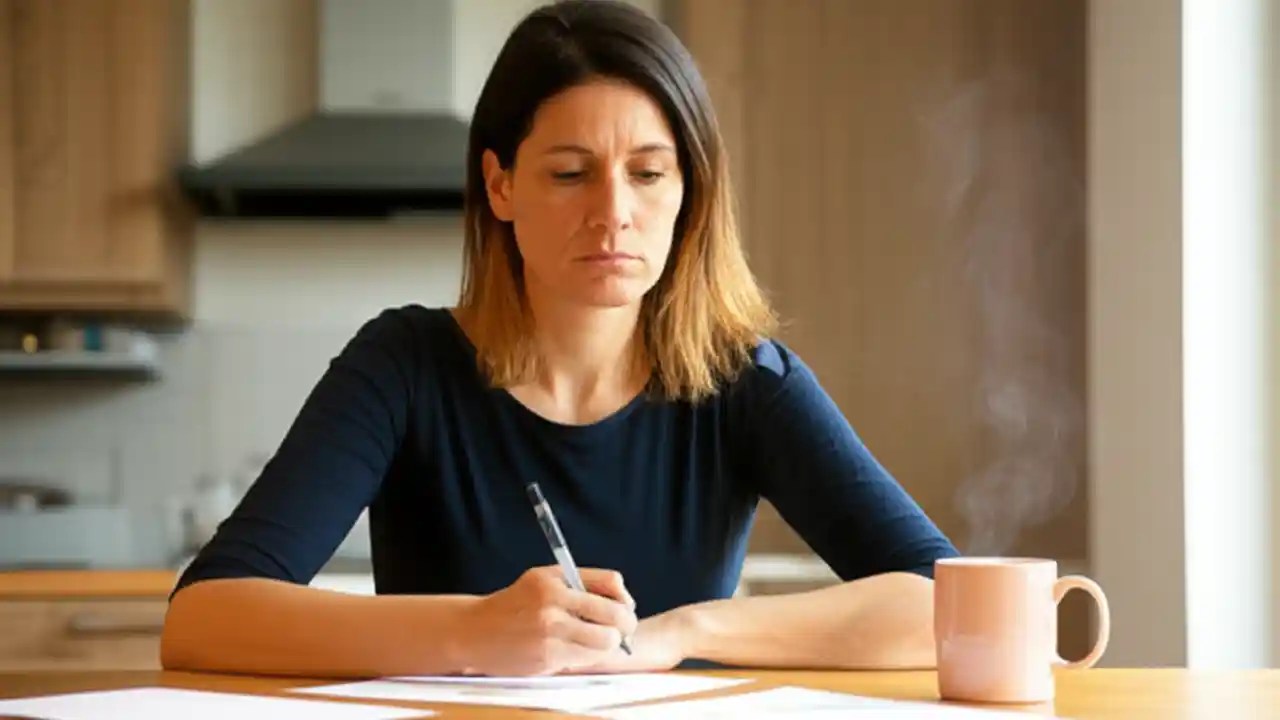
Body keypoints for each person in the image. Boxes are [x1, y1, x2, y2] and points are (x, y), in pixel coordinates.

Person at [161, 0, 958, 679]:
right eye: (571, 173)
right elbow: (202, 619)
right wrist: (472, 634)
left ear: (689, 191)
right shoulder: (402, 367)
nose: (613, 211)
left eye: (648, 173)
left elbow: (950, 605)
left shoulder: (747, 383)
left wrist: (682, 632)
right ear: (501, 185)